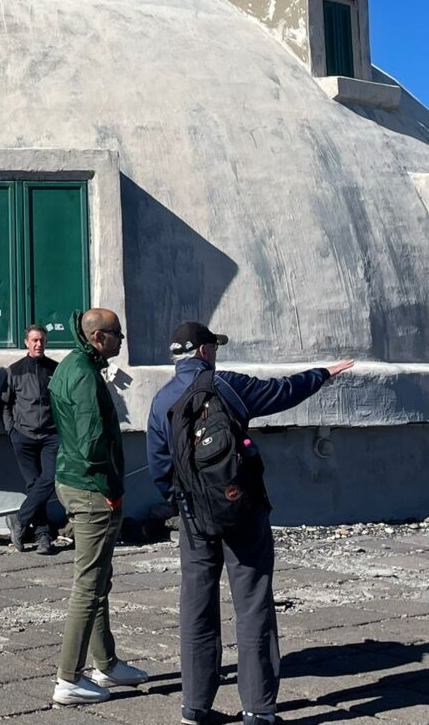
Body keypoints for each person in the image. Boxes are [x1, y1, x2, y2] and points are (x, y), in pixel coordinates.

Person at [145, 321, 355, 725]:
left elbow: (159, 468)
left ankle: (195, 704)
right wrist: (322, 374)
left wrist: (182, 504)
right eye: (214, 348)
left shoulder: (160, 401)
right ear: (204, 352)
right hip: (242, 510)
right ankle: (258, 708)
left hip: (194, 517)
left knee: (197, 605)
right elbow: (281, 391)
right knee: (254, 602)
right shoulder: (228, 386)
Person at [46, 308, 149, 706]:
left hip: (72, 479)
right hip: (91, 488)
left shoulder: (71, 364)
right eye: (117, 334)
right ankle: (68, 679)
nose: (122, 340)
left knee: (99, 579)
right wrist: (110, 488)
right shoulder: (85, 375)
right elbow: (91, 444)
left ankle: (105, 663)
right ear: (96, 337)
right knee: (88, 586)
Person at [0, 323, 60, 554]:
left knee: (50, 479)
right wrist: (11, 430)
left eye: (42, 340)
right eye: (34, 340)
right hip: (23, 436)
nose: (38, 344)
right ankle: (43, 535)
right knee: (34, 485)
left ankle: (20, 520)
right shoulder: (15, 370)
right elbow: (3, 403)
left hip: (51, 435)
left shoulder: (55, 368)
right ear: (26, 342)